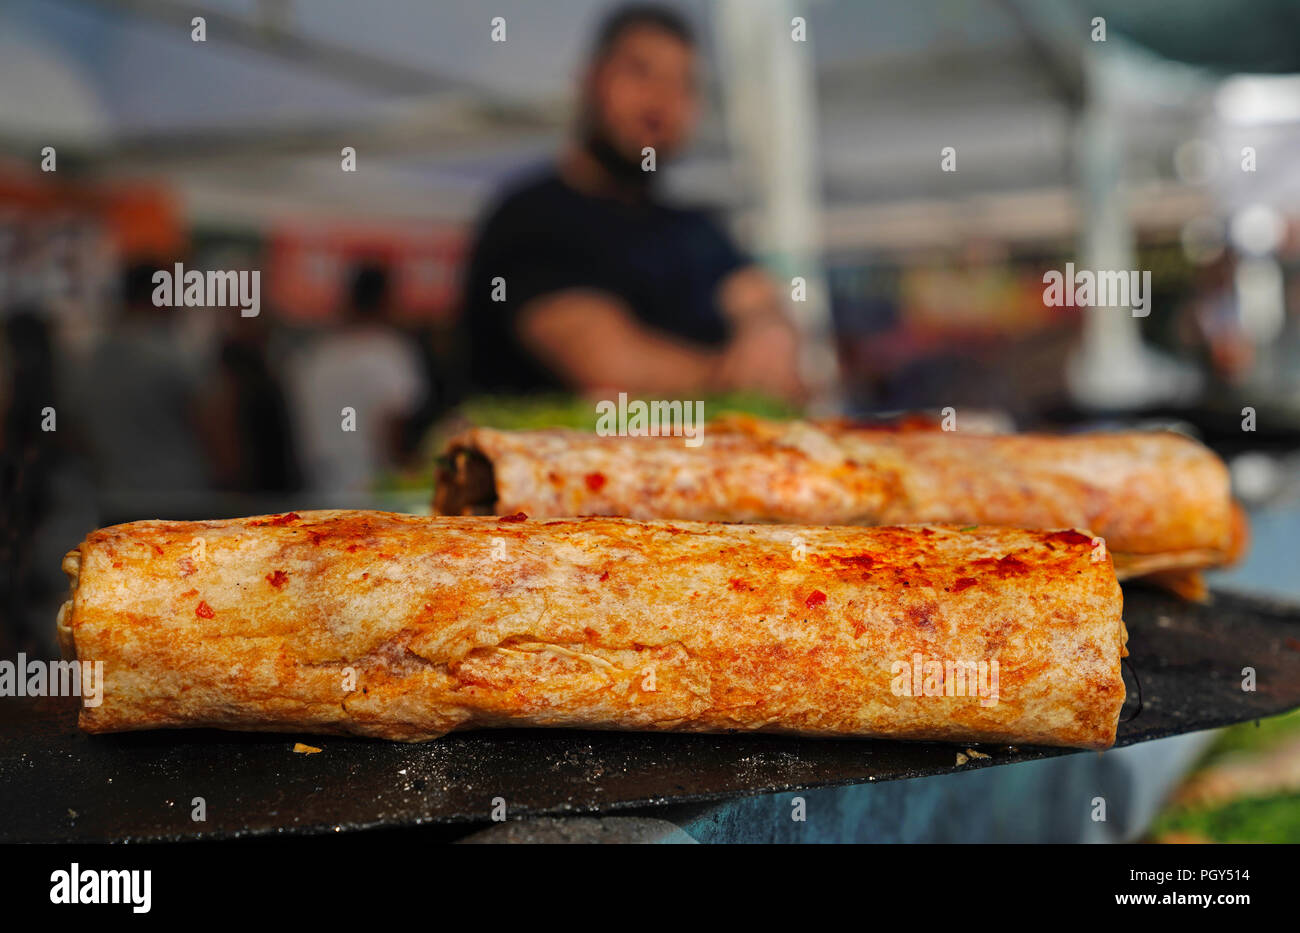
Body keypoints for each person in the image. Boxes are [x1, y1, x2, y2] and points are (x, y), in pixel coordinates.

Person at [461, 3, 803, 401]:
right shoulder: (531, 218)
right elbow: (606, 366)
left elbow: (757, 298)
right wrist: (737, 378)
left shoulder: (695, 228)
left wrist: (768, 330)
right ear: (589, 79)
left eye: (683, 84)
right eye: (640, 72)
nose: (660, 101)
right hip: (554, 460)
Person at [289, 263, 428, 499]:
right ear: (385, 301)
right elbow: (394, 426)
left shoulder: (316, 356)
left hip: (318, 491)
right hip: (377, 494)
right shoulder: (388, 351)